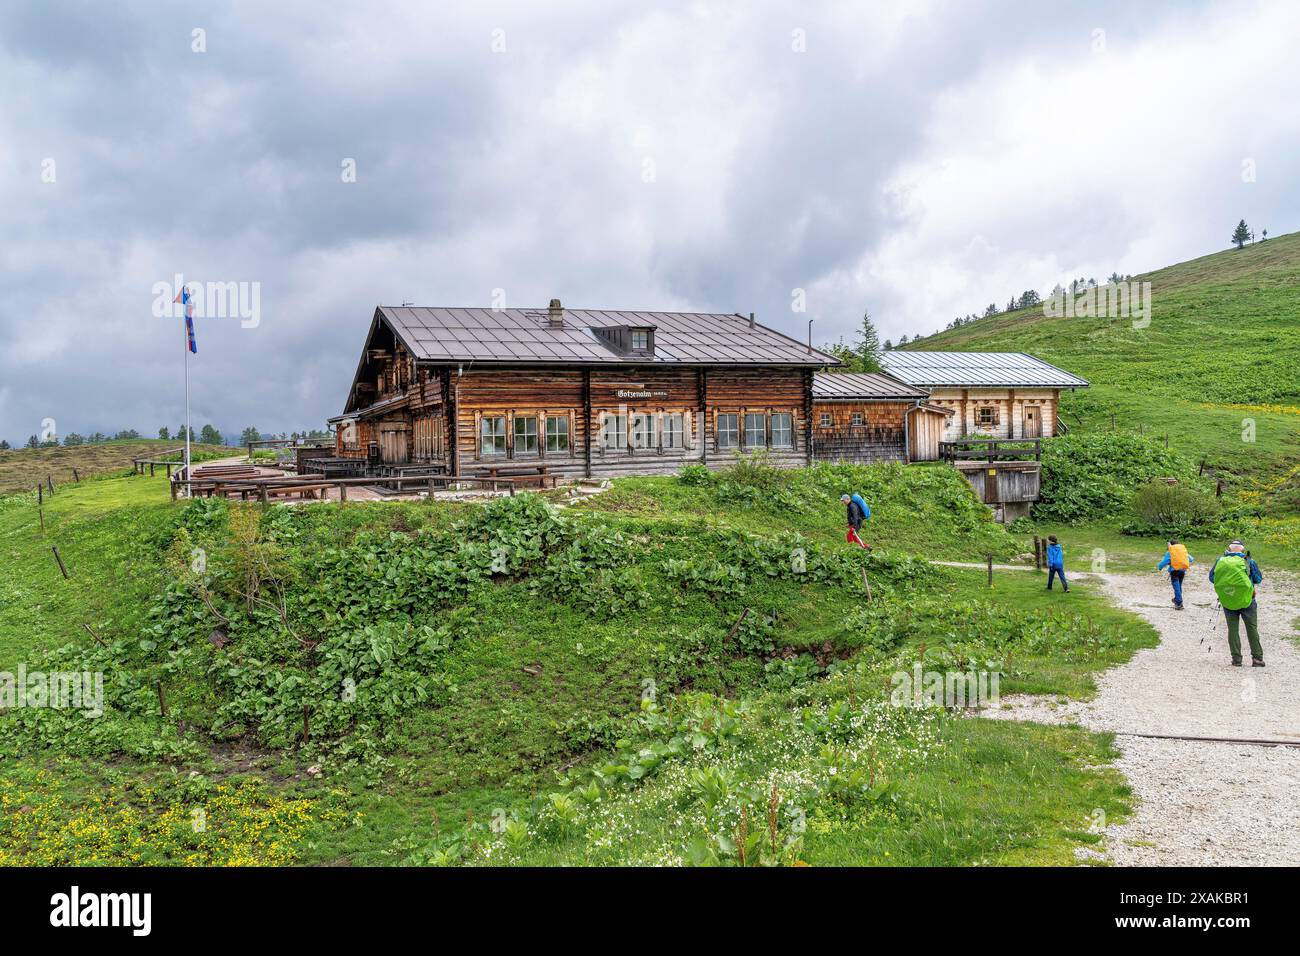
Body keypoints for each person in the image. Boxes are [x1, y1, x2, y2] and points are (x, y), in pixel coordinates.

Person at [1209, 540, 1264, 667]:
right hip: (1247, 600)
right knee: (1251, 629)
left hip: (1228, 600)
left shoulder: (1220, 561)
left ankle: (1236, 659)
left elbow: (1212, 578)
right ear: (1242, 550)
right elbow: (1258, 579)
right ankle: (1257, 659)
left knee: (1232, 630)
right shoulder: (1248, 561)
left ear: (1228, 549)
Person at [1156, 539, 1194, 610]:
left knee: (1176, 587)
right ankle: (1177, 600)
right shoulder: (1182, 551)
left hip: (1174, 572)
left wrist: (1159, 567)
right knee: (1179, 587)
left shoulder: (1170, 552)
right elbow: (1191, 559)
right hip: (1182, 571)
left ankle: (1179, 603)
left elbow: (1165, 561)